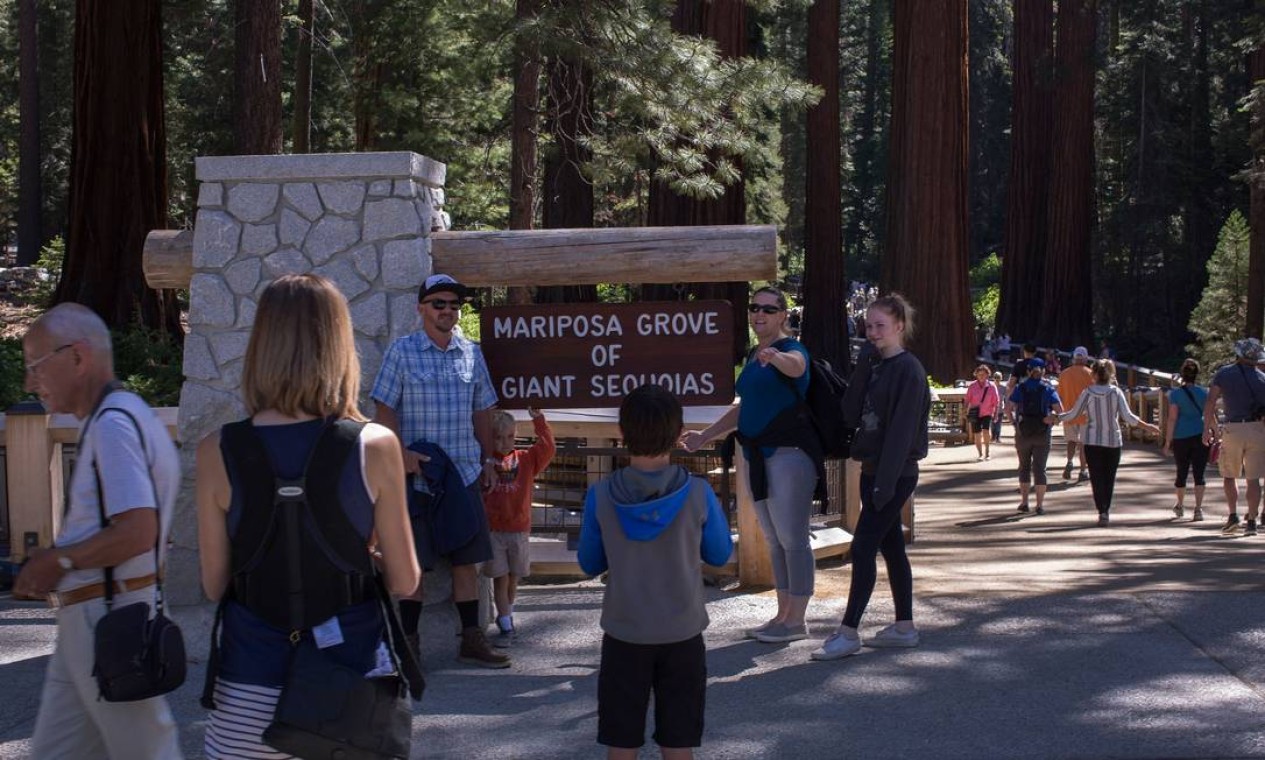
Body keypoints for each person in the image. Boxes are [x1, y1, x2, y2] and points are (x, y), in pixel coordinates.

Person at [196, 274, 420, 757]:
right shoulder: (375, 444)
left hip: (245, 691)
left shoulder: (217, 449)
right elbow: (404, 581)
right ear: (339, 345)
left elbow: (215, 585)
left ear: (261, 346)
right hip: (346, 700)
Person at [14, 303, 183, 759]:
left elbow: (138, 530)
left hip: (107, 618)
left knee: (149, 752)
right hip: (93, 618)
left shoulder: (113, 426)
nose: (31, 382)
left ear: (78, 356)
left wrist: (60, 559)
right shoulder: (126, 417)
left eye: (36, 365)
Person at [578, 384, 733, 760]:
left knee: (621, 743)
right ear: (679, 433)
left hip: (624, 631)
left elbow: (589, 562)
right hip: (682, 632)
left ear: (622, 432)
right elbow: (720, 553)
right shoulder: (698, 493)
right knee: (679, 744)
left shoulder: (600, 495)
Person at [370, 273, 509, 667]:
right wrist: (400, 454)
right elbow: (384, 409)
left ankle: (471, 639)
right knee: (414, 560)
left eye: (453, 304)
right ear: (421, 308)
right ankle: (409, 644)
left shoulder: (471, 353)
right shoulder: (402, 351)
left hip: (464, 471)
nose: (447, 310)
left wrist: (487, 460)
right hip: (419, 476)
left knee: (467, 560)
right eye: (438, 304)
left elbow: (483, 410)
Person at [682, 286, 822, 644]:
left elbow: (798, 368)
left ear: (782, 316)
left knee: (794, 540)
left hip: (790, 455)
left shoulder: (790, 350)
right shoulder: (754, 355)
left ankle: (797, 621)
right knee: (774, 540)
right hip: (756, 456)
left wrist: (775, 356)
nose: (759, 314)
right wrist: (705, 436)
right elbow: (744, 407)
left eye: (768, 309)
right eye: (754, 307)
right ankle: (782, 615)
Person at [810, 294, 930, 661]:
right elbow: (849, 412)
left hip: (894, 473)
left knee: (862, 547)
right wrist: (864, 364)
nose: (873, 332)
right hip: (872, 468)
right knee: (891, 547)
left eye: (880, 326)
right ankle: (904, 626)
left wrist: (885, 484)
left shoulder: (909, 370)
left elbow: (902, 432)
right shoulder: (874, 363)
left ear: (899, 326)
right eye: (868, 325)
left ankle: (848, 632)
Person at [1053, 359, 1160, 527]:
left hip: (1092, 441)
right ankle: (1105, 511)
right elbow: (1129, 417)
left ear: (1093, 375)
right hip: (1112, 442)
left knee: (1096, 477)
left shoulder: (1087, 393)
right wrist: (1148, 426)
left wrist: (1056, 417)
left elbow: (1074, 414)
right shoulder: (1116, 393)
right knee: (1109, 478)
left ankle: (1101, 509)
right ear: (1110, 375)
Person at [482, 407, 556, 643]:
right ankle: (505, 621)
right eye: (499, 437)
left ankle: (508, 613)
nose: (505, 442)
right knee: (500, 577)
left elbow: (547, 447)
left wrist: (539, 420)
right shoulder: (485, 462)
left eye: (510, 436)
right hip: (494, 530)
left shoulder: (525, 459)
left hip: (519, 529)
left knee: (514, 577)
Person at [1202, 338, 1265, 535]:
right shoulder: (1262, 378)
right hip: (1257, 430)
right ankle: (1252, 520)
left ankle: (1233, 516)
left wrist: (1208, 428)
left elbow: (1211, 401)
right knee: (1253, 479)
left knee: (1230, 475)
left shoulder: (1224, 374)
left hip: (1232, 428)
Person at [1010, 358, 1064, 516]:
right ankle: (1039, 505)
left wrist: (1015, 423)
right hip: (1042, 432)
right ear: (1043, 371)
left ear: (1028, 371)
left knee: (1024, 467)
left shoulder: (1021, 388)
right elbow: (1061, 411)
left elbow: (1008, 407)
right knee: (1040, 469)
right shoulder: (1048, 389)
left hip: (1023, 432)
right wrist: (1052, 419)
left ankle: (1024, 502)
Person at [1164, 358, 1209, 522]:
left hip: (1181, 436)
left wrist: (1168, 441)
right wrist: (1216, 434)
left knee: (1181, 471)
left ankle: (1180, 505)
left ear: (1182, 374)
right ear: (1197, 374)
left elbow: (1172, 418)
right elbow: (1210, 415)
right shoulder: (1204, 393)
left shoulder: (1175, 394)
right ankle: (1198, 509)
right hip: (1200, 435)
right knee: (1199, 473)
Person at [1057, 347, 1094, 482]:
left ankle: (1069, 461)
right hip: (1086, 415)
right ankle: (1083, 471)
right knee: (1084, 444)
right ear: (1085, 358)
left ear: (1074, 358)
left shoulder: (1064, 374)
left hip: (1069, 413)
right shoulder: (1090, 374)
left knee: (1071, 441)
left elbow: (1059, 395)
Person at [965, 364, 1000, 461]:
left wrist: (996, 414)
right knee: (976, 434)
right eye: (979, 374)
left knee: (985, 431)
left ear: (987, 375)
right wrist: (965, 410)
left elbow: (996, 402)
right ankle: (980, 454)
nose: (981, 376)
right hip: (975, 413)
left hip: (987, 412)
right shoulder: (972, 386)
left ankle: (987, 453)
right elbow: (967, 399)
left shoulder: (992, 386)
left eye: (983, 374)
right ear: (976, 375)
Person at [991, 371, 1006, 442]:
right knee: (992, 424)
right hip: (992, 408)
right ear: (993, 378)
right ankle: (993, 437)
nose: (997, 379)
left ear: (1001, 378)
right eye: (996, 378)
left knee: (998, 424)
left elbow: (1006, 398)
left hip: (1000, 408)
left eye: (998, 378)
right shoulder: (990, 387)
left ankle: (997, 437)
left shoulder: (1003, 388)